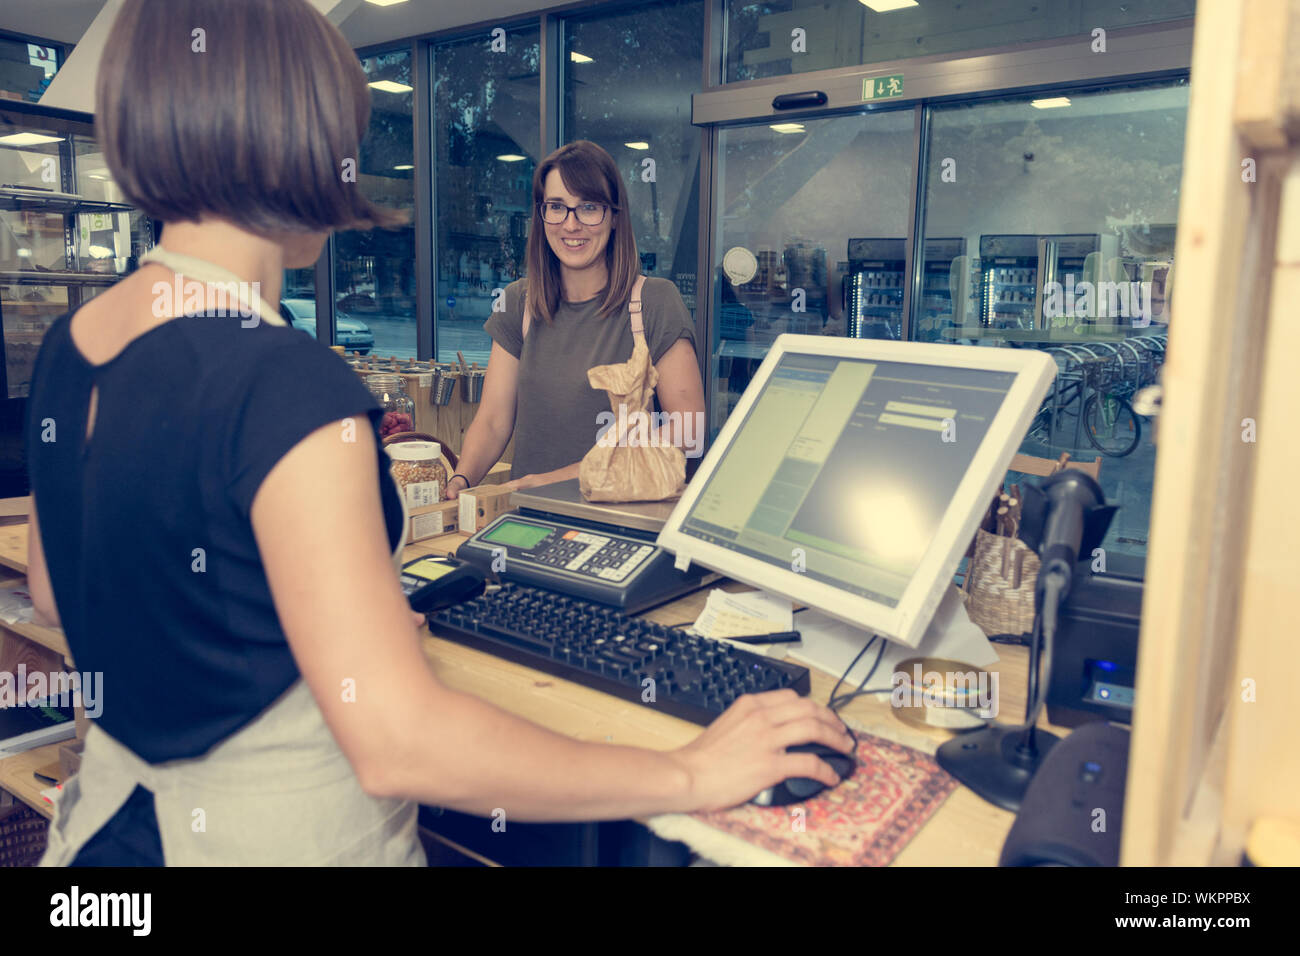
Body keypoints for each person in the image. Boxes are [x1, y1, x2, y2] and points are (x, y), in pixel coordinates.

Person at [24, 0, 852, 866]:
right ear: (294, 142)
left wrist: (317, 631)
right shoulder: (285, 385)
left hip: (106, 835)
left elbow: (57, 586)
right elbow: (400, 742)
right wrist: (688, 771)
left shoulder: (75, 344)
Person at [445, 140, 706, 496]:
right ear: (542, 215)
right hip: (528, 520)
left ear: (614, 216)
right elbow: (492, 422)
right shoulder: (518, 302)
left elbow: (688, 430)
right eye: (556, 207)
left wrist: (550, 481)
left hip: (618, 527)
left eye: (588, 207)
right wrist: (461, 480)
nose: (571, 224)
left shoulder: (653, 302)